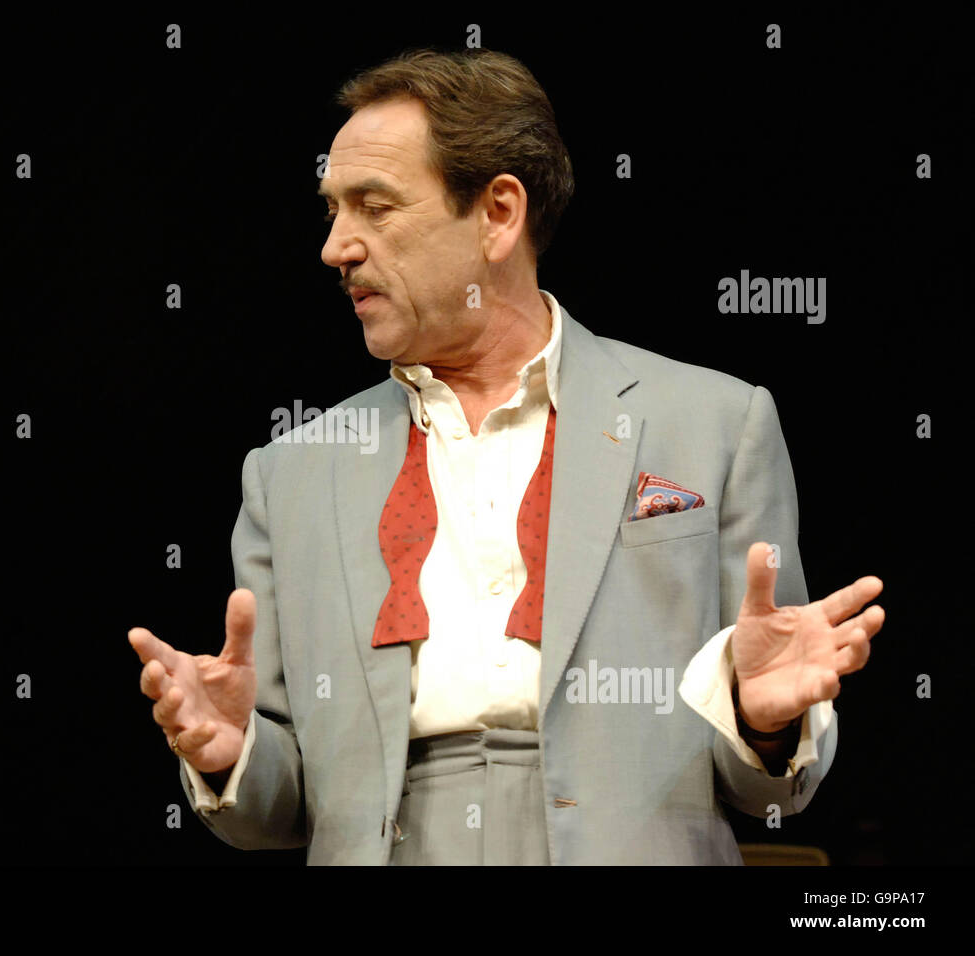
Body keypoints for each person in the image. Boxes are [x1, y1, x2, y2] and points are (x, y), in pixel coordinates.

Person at [128, 48, 884, 864]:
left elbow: (771, 790)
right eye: (332, 213)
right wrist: (230, 750)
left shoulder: (714, 423)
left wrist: (763, 721)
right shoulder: (290, 474)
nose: (336, 248)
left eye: (373, 208)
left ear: (498, 214)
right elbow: (276, 814)